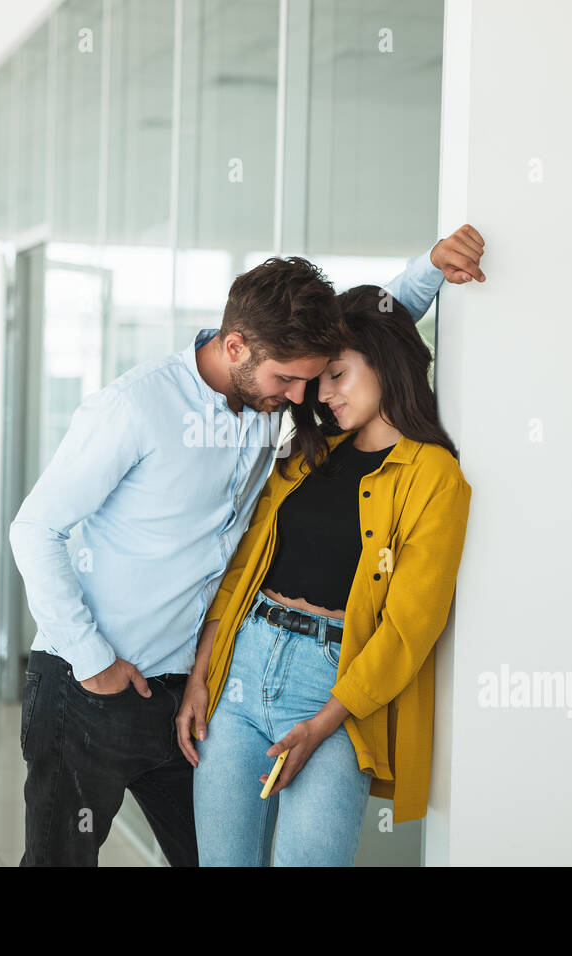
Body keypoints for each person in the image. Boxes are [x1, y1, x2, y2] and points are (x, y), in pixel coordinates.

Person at [10, 226, 486, 866]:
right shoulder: (134, 407)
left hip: (189, 691)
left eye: (312, 380)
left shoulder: (275, 395)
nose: (301, 400)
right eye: (290, 380)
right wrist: (93, 659)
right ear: (235, 347)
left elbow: (371, 331)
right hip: (88, 681)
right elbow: (34, 528)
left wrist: (430, 266)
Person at [177, 275, 475, 866]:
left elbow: (409, 630)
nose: (324, 395)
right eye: (319, 382)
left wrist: (321, 724)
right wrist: (199, 678)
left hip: (337, 700)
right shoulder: (309, 454)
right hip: (241, 674)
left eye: (337, 375)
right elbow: (240, 576)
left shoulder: (435, 477)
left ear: (387, 361)